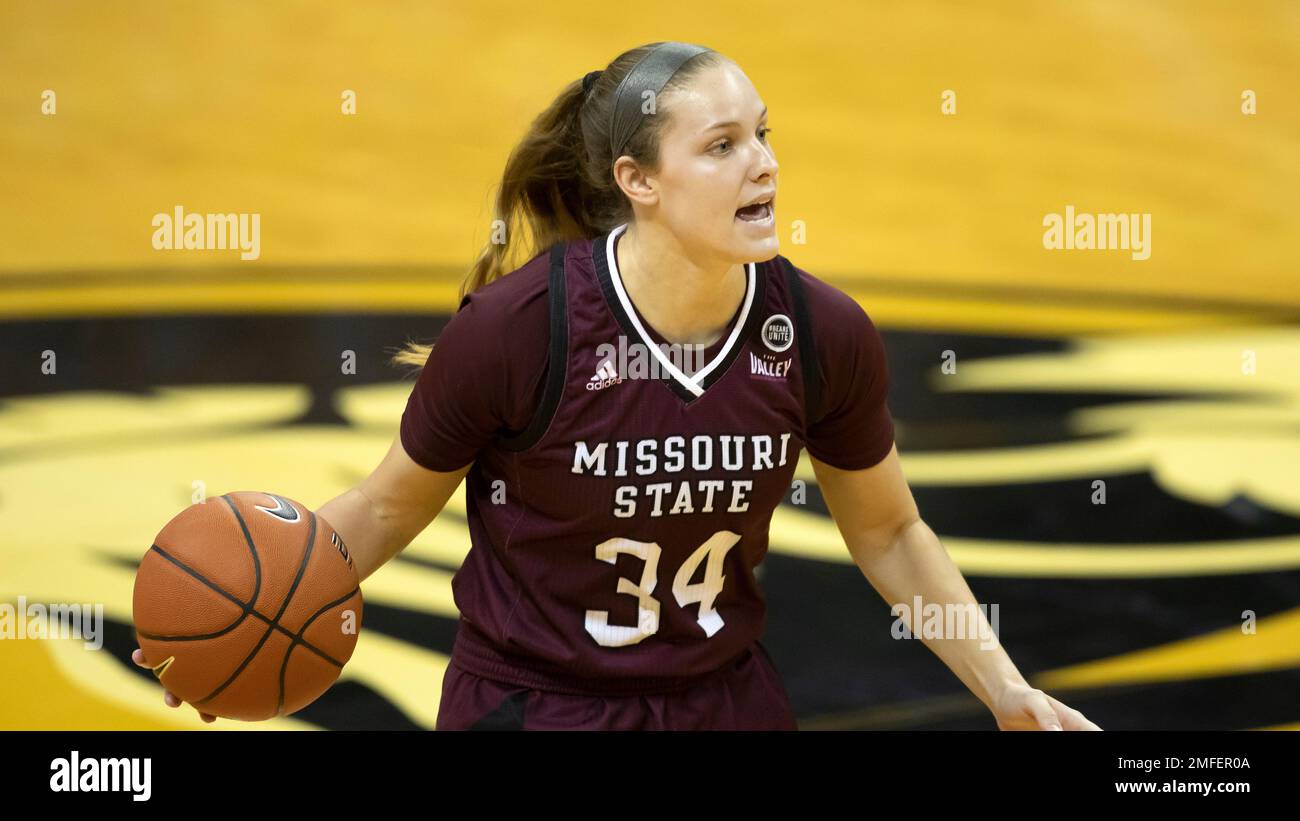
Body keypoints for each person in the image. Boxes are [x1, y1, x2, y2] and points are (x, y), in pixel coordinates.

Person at [138, 40, 1100, 732]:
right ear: (637, 180)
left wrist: (1004, 686)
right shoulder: (521, 330)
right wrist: (223, 629)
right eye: (721, 145)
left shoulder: (817, 332)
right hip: (534, 704)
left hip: (723, 698)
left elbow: (888, 530)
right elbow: (387, 510)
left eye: (762, 136)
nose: (763, 163)